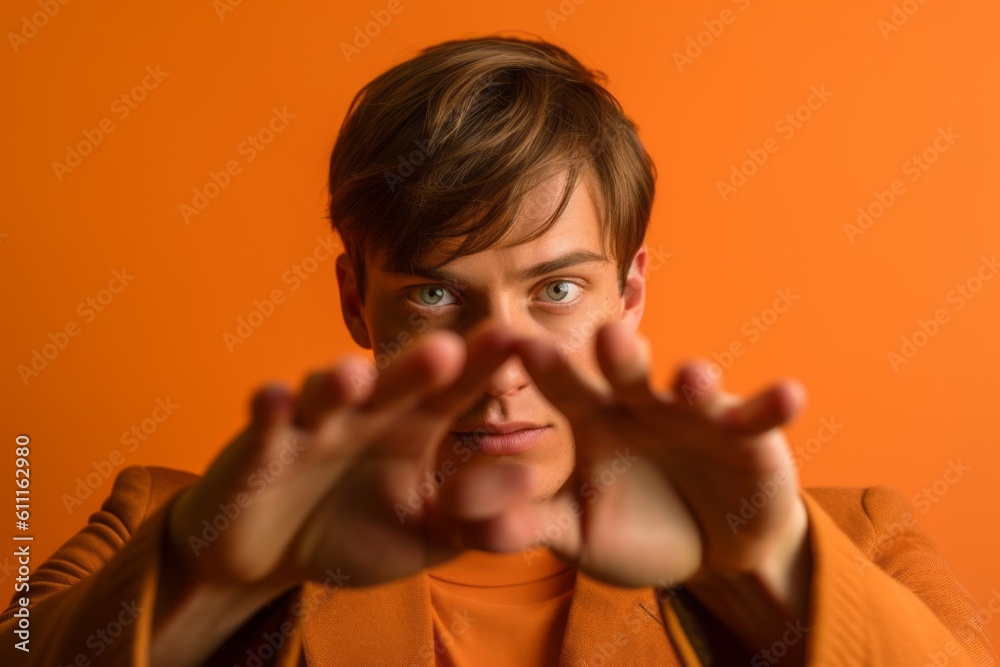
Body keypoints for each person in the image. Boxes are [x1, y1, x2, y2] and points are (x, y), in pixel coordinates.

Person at [2, 35, 996, 667]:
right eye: (437, 292)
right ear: (356, 299)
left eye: (555, 288)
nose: (500, 361)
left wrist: (771, 571)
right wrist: (206, 578)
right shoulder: (158, 525)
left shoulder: (855, 545)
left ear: (631, 291)